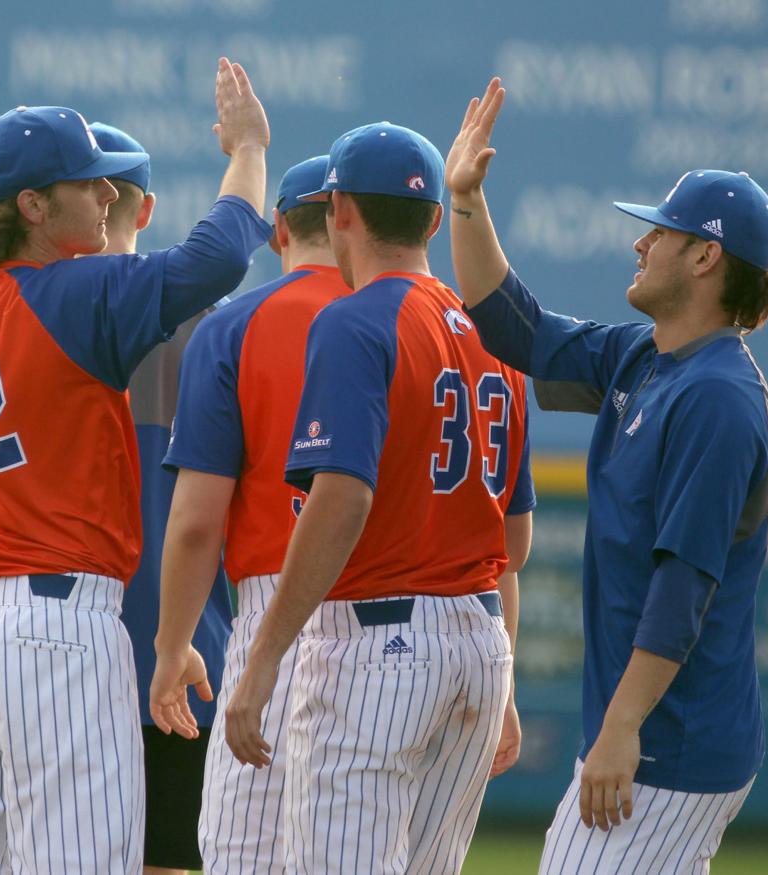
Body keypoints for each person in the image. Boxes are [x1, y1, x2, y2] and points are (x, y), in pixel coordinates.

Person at [0, 58, 271, 873]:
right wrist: (248, 152)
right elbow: (217, 257)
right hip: (53, 630)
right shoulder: (74, 292)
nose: (104, 193)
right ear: (32, 205)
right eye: (87, 182)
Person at [446, 79, 768, 873]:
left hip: (672, 741)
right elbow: (516, 329)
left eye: (659, 232)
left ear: (705, 255)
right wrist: (466, 200)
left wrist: (623, 727)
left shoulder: (717, 395)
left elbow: (684, 585)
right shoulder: (647, 354)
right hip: (656, 730)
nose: (641, 245)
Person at [222, 122, 535, 875]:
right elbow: (514, 543)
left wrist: (263, 657)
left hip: (378, 647)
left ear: (340, 212)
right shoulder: (496, 335)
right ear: (433, 220)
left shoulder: (354, 320)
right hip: (480, 643)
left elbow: (340, 501)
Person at [150, 154, 349, 874]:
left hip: (278, 604)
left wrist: (173, 644)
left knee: (245, 853)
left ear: (278, 231)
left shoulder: (237, 322)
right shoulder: (430, 317)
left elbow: (196, 522)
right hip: (429, 609)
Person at [85, 119, 234, 875]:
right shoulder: (216, 330)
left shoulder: (16, 315)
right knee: (165, 860)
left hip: (58, 643)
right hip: (188, 644)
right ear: (143, 209)